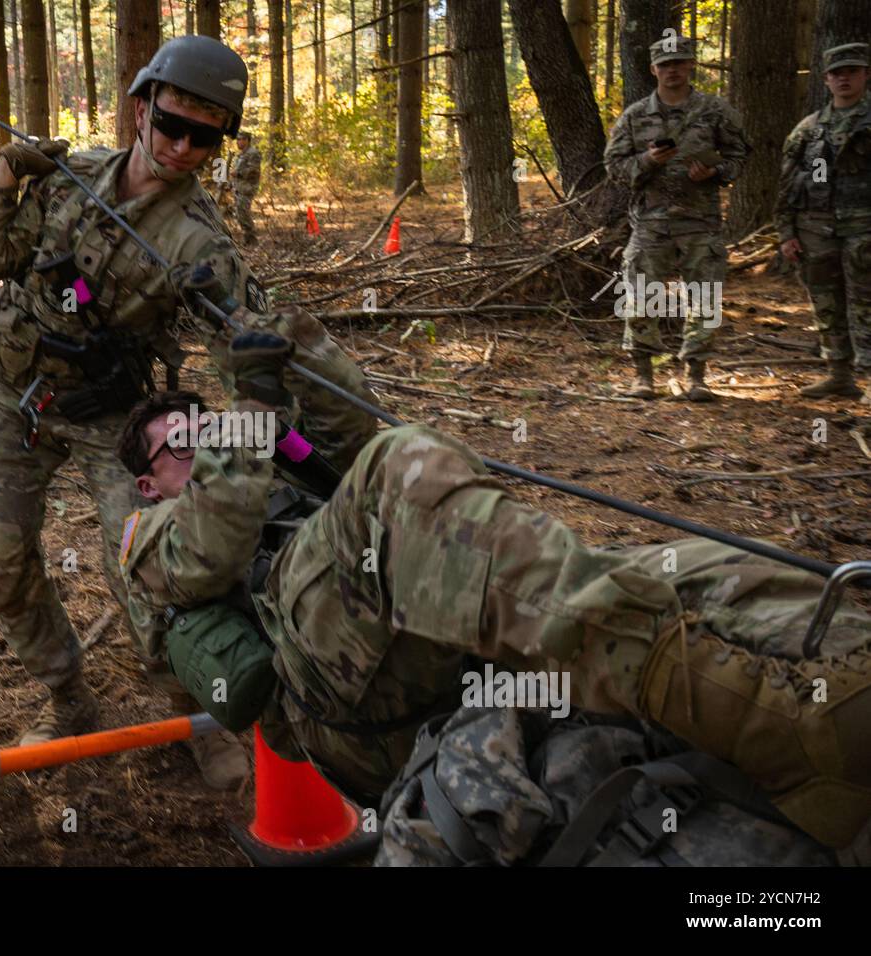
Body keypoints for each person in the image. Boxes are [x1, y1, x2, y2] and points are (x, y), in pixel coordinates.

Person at [117, 331, 871, 851]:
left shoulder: (267, 467)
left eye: (203, 424)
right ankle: (759, 717)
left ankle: (838, 674)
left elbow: (368, 422)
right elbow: (216, 543)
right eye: (182, 441)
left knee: (689, 570)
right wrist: (245, 419)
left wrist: (291, 342)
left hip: (403, 633)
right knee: (397, 470)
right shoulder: (144, 538)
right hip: (327, 694)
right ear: (148, 482)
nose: (204, 440)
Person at [0, 34, 268, 788]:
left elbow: (242, 349)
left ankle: (189, 711)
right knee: (4, 566)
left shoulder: (199, 241)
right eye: (172, 125)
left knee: (149, 569)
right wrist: (3, 178)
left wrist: (261, 415)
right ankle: (65, 694)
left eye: (207, 137)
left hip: (113, 413)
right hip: (17, 392)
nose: (184, 148)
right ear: (141, 109)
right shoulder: (72, 177)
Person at [603, 35, 750, 402]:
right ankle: (643, 376)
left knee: (705, 299)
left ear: (691, 66)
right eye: (666, 65)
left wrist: (715, 174)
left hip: (700, 221)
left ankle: (697, 376)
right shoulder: (636, 116)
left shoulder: (716, 111)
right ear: (654, 70)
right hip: (651, 222)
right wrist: (647, 162)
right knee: (640, 296)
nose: (673, 70)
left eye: (680, 63)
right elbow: (613, 166)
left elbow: (740, 155)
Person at [778, 43, 871, 402]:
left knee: (866, 302)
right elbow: (786, 184)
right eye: (837, 73)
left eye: (851, 71)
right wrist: (786, 232)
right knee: (826, 303)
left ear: (865, 74)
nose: (843, 78)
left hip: (864, 230)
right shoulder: (809, 129)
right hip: (817, 231)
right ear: (826, 80)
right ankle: (839, 374)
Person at [228, 130, 261, 246]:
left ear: (247, 140)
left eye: (240, 139)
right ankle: (247, 239)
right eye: (237, 140)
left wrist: (239, 173)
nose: (238, 142)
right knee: (239, 213)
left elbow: (254, 170)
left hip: (247, 188)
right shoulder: (241, 154)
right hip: (239, 188)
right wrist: (231, 183)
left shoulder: (253, 153)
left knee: (243, 212)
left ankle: (252, 239)